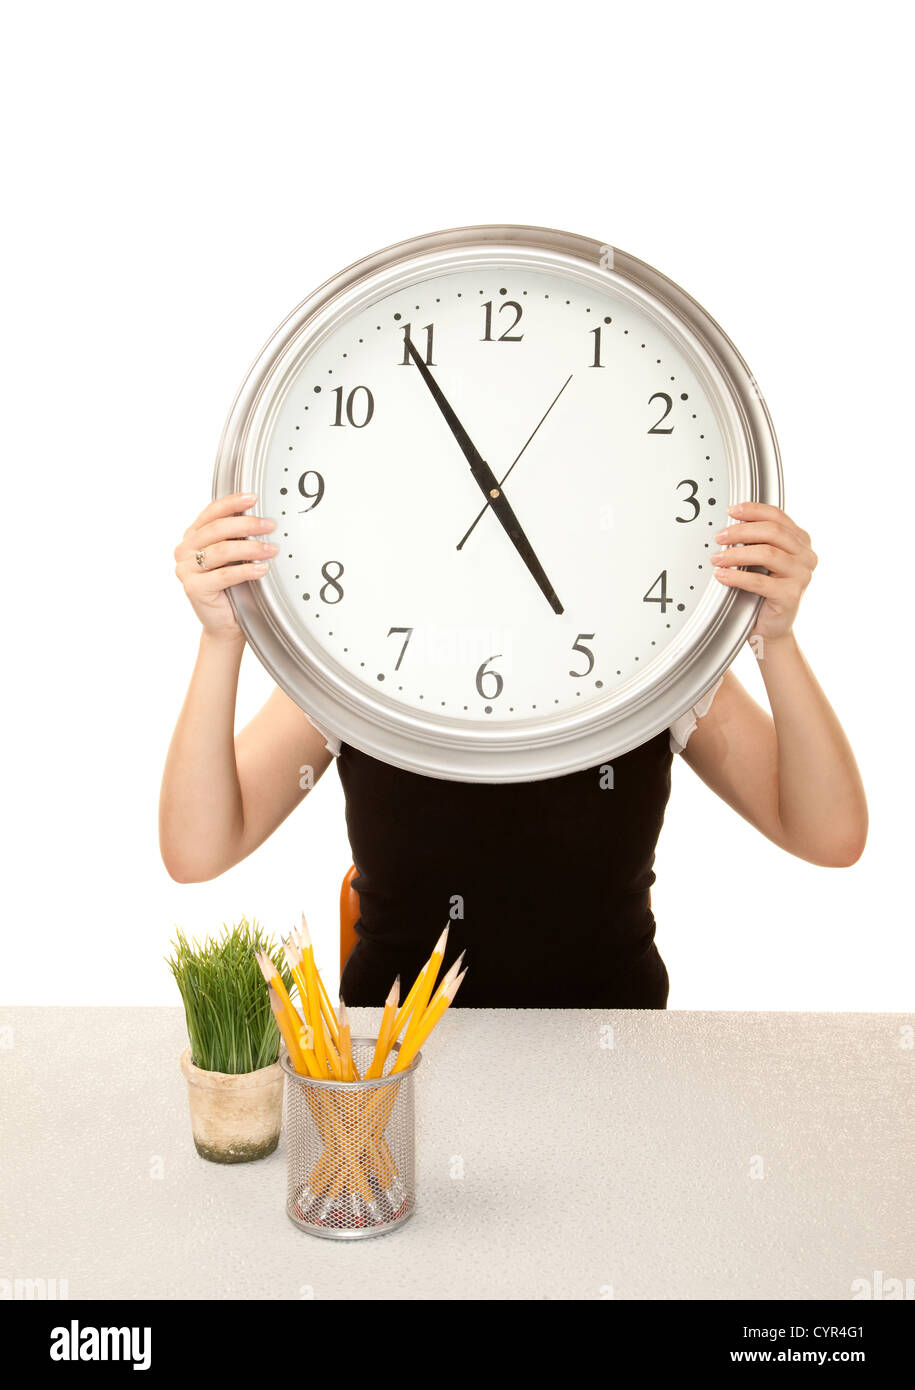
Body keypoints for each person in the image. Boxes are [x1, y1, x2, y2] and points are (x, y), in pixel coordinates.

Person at [159, 493, 868, 1008]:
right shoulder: (366, 660)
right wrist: (222, 637)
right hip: (395, 1065)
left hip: (614, 1057)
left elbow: (827, 834)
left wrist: (771, 638)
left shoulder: (645, 659)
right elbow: (198, 851)